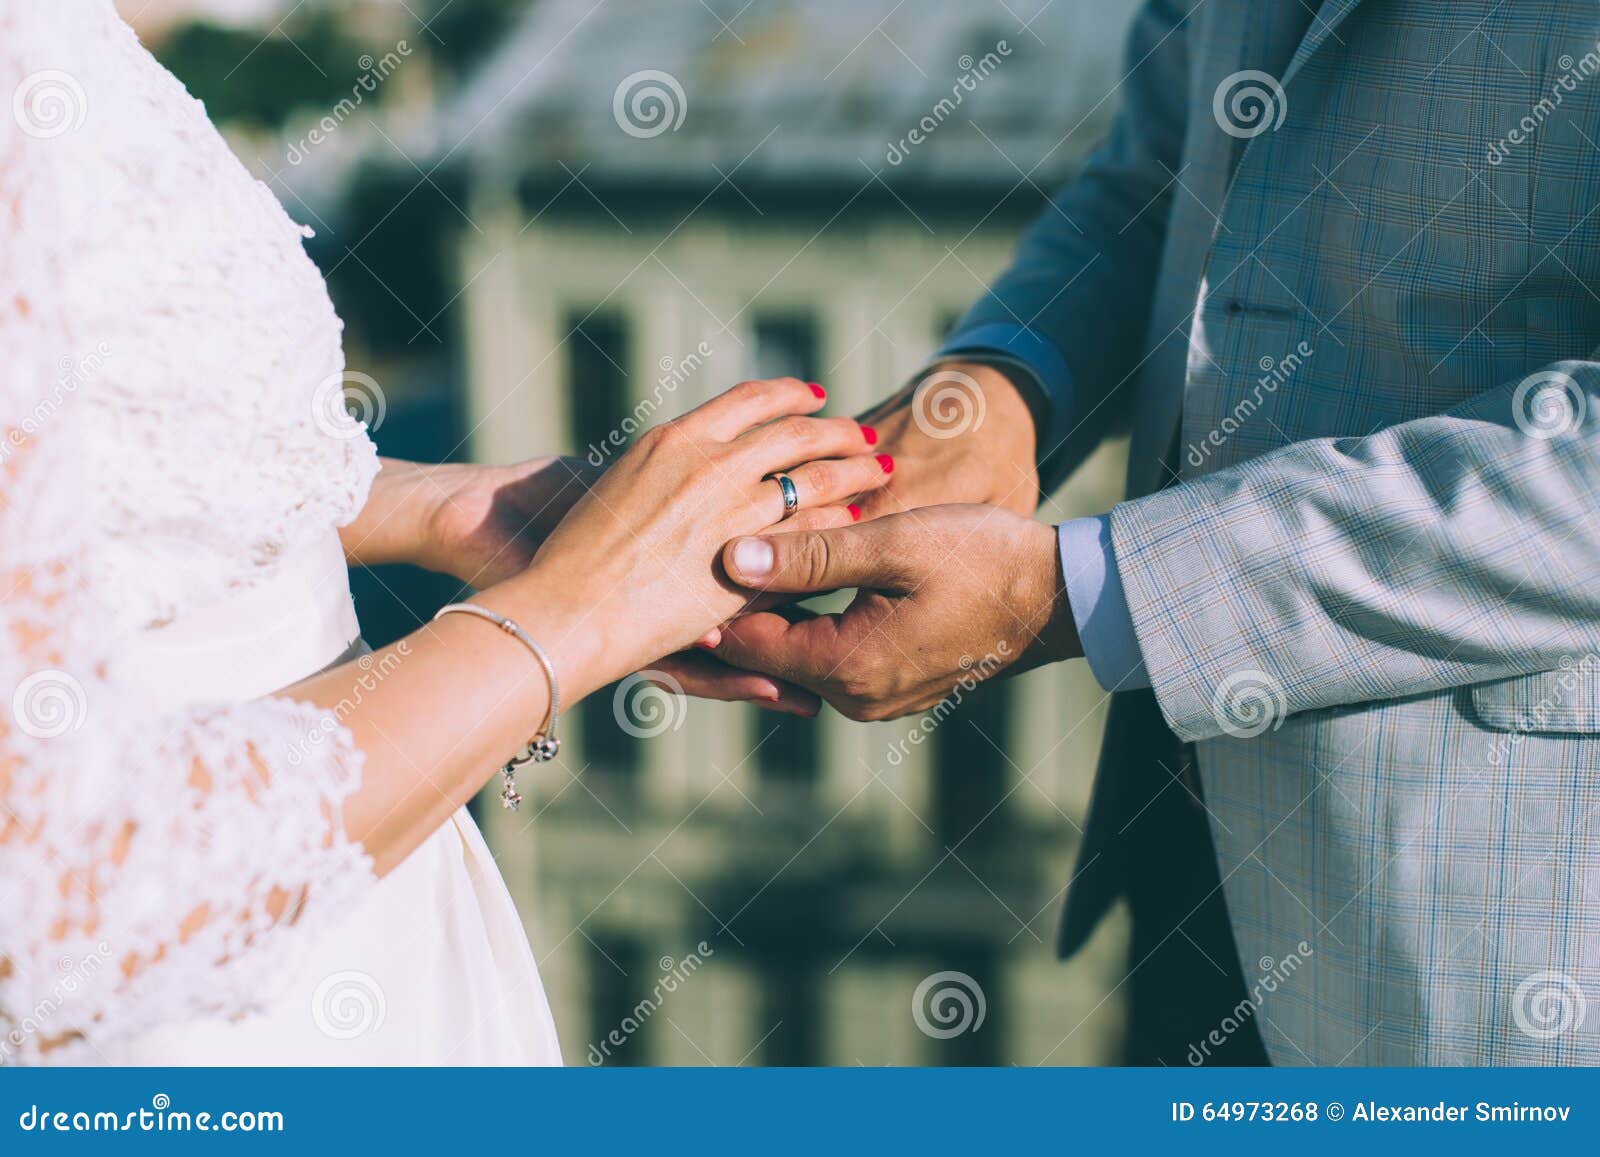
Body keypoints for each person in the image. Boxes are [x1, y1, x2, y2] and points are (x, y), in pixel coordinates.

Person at [710, 0, 1600, 1065]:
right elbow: (1164, 174)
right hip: (1181, 858)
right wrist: (1002, 386)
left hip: (1484, 942)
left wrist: (1083, 590)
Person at [0, 1, 886, 1064]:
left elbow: (92, 481)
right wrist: (568, 618)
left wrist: (440, 508)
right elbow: (56, 893)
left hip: (358, 949)